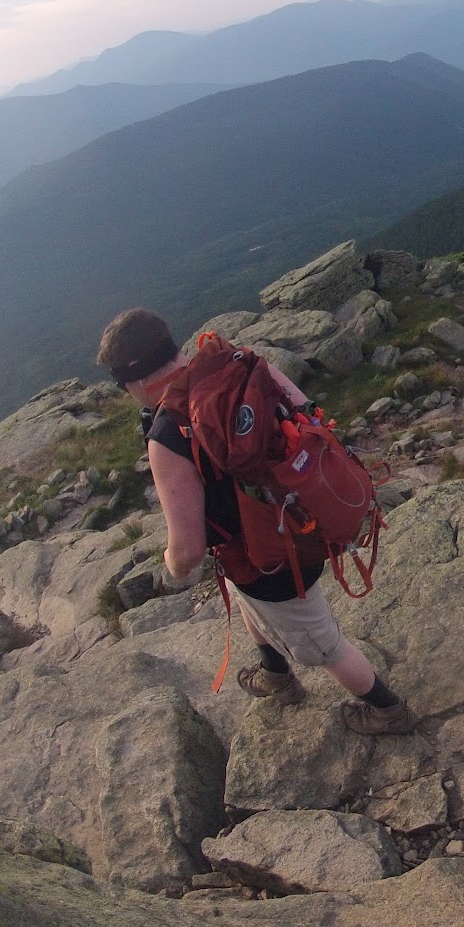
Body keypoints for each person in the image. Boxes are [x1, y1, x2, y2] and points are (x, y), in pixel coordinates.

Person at [97, 307, 416, 735]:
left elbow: (188, 553)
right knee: (242, 593)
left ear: (135, 378)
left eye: (121, 385)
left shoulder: (168, 435)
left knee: (324, 646)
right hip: (299, 515)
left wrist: (171, 563)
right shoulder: (239, 364)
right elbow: (310, 415)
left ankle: (388, 711)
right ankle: (275, 674)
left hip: (271, 558)